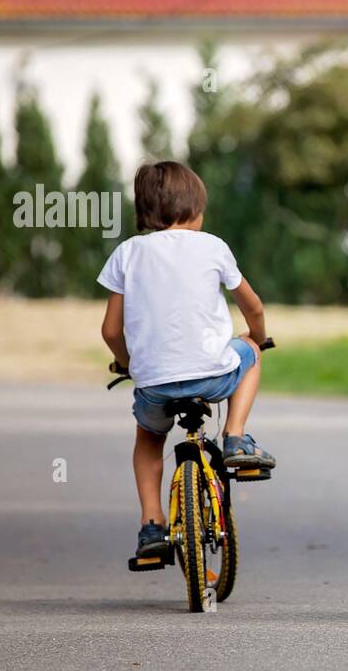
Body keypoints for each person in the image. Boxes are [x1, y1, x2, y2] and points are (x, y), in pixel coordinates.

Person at [98, 160, 274, 563]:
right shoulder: (213, 247)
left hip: (154, 385)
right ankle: (235, 436)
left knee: (149, 440)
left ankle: (152, 525)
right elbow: (254, 307)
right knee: (249, 352)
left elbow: (110, 330)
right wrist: (258, 338)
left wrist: (127, 364)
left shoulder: (127, 253)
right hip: (213, 375)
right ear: (195, 208)